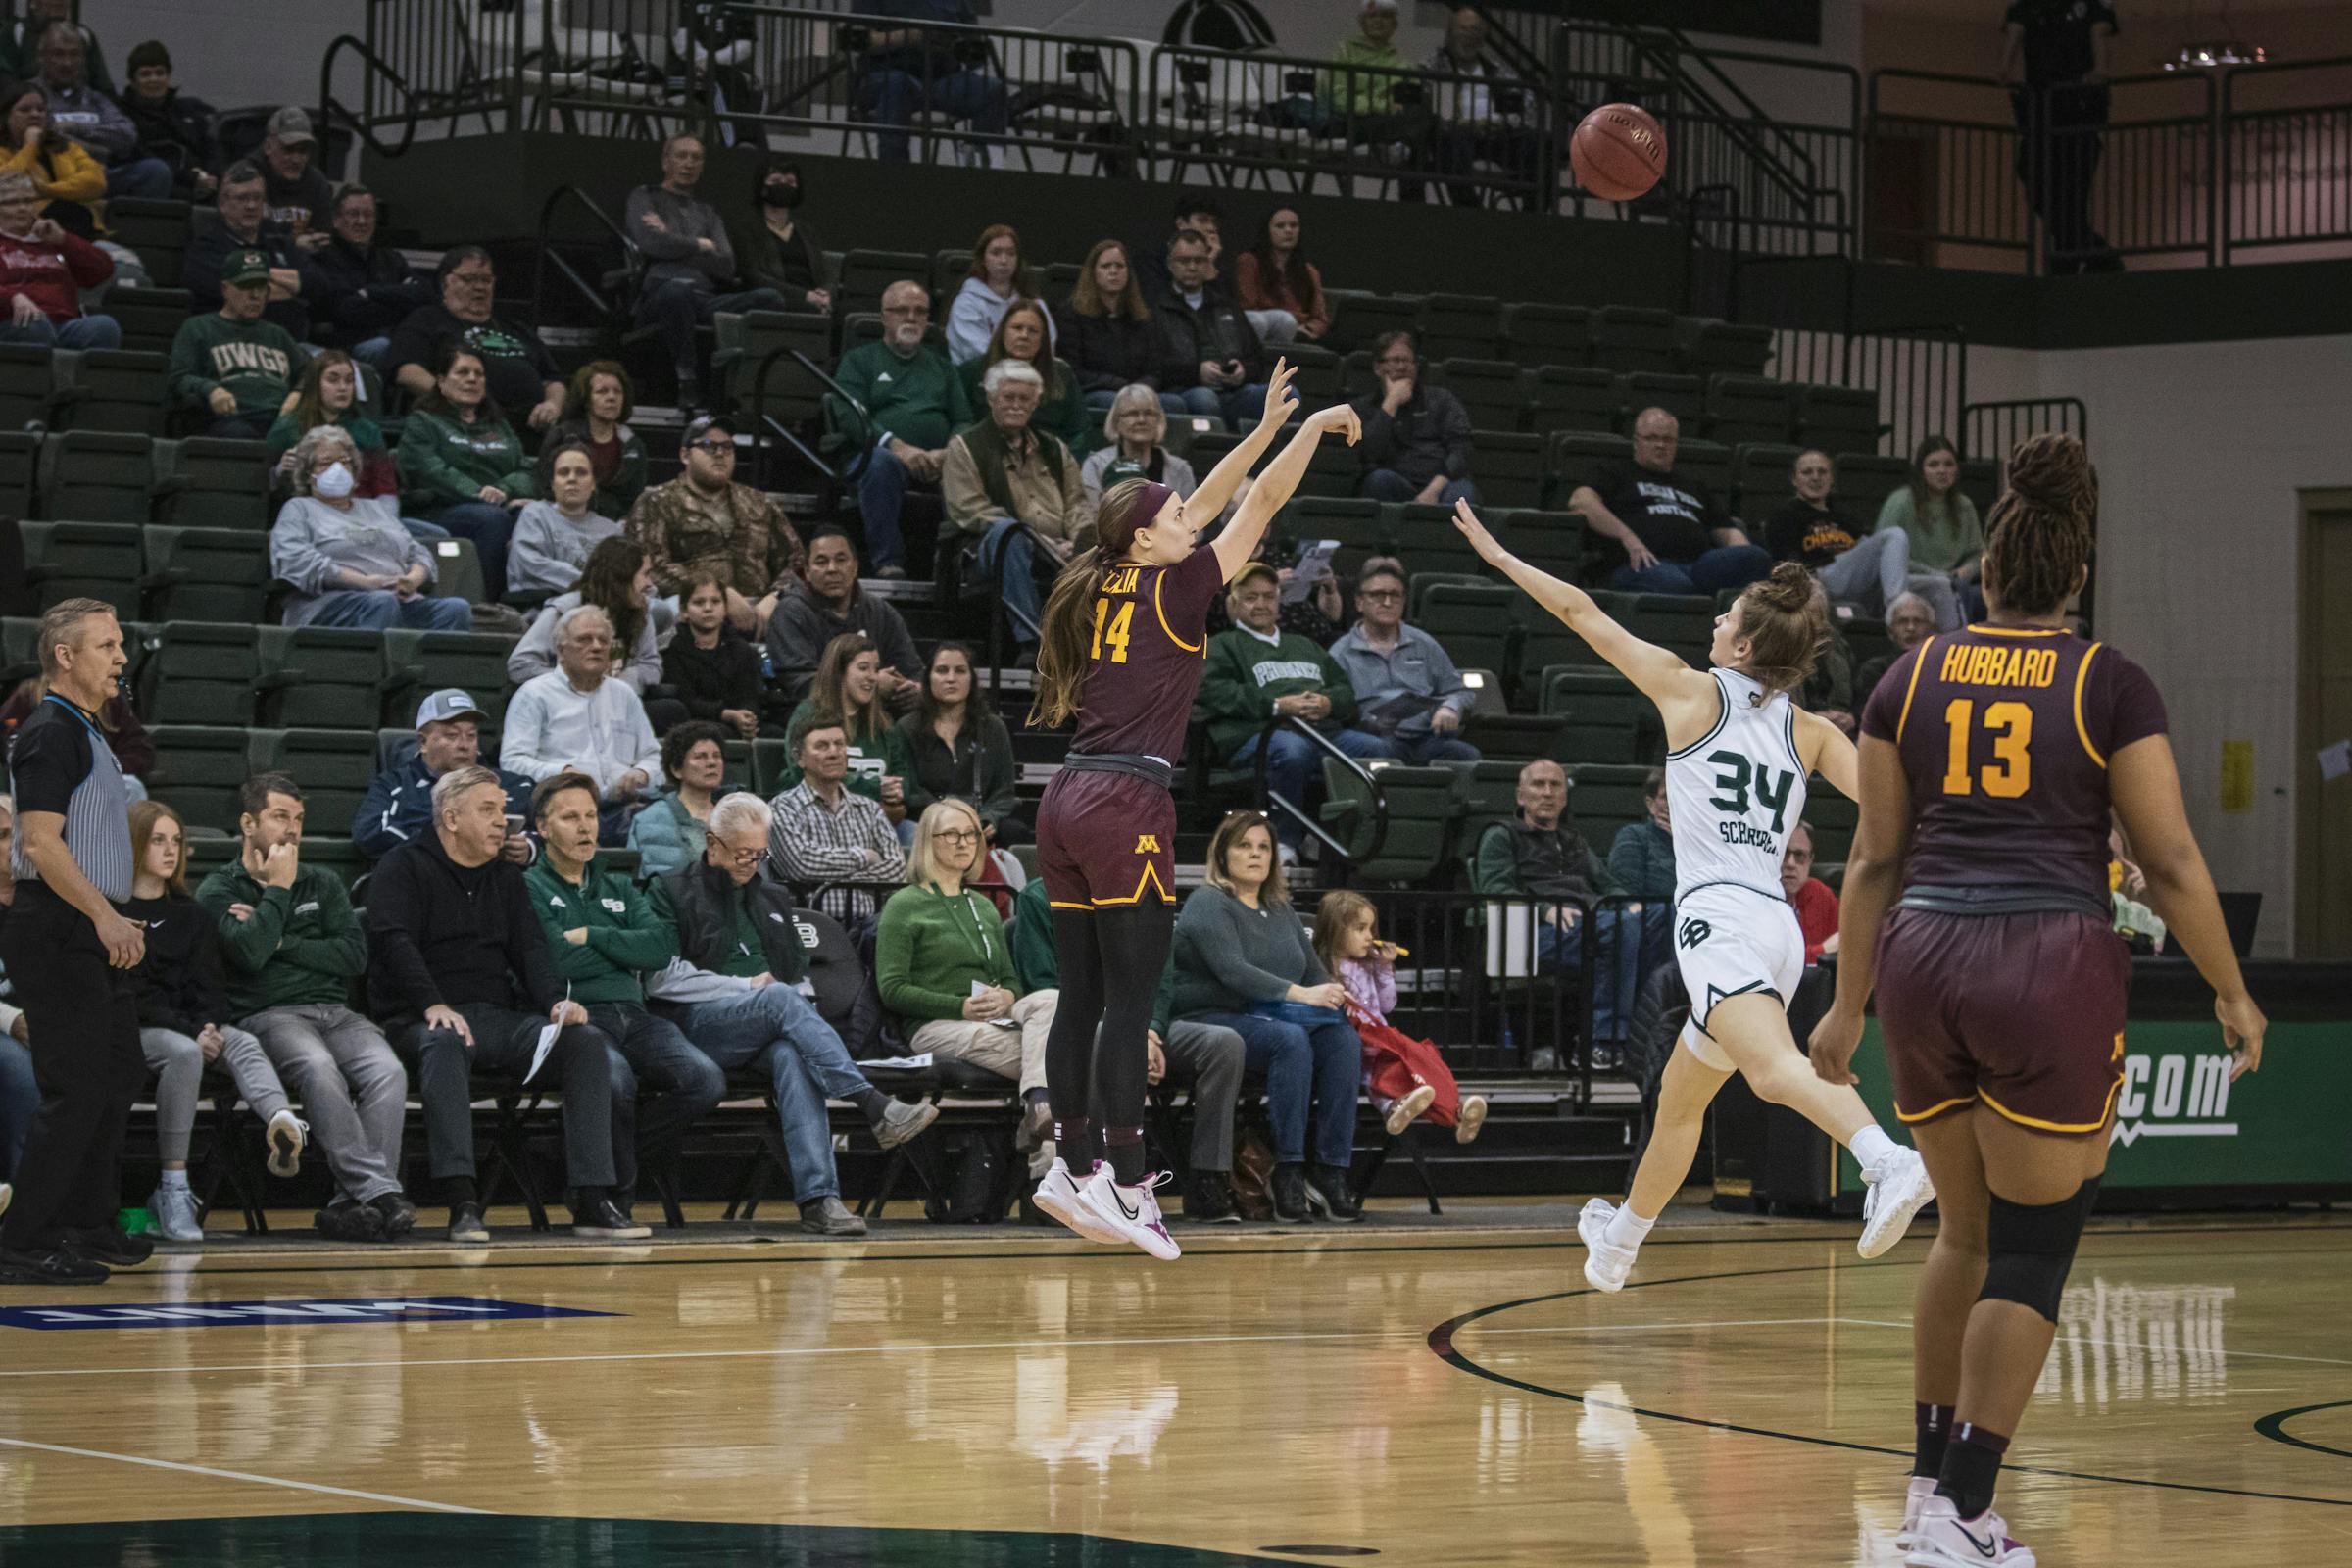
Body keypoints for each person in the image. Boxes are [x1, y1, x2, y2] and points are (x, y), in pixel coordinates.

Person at [1810, 433, 2263, 1565]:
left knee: (1960, 1234)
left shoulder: (1905, 675)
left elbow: (1869, 860)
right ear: (2074, 578)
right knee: (2032, 1251)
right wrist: (2230, 987)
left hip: (1922, 955)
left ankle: (1925, 1498)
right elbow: (2166, 859)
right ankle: (1964, 1509)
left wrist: (1845, 1005)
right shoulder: (2109, 678)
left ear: (1987, 574)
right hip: (2046, 958)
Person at [1447, 505, 1934, 1294]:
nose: (1714, 619)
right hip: (1775, 927)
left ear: (1742, 645)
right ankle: (1618, 1242)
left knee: (1774, 1072)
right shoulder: (1808, 732)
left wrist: (1501, 557)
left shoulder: (1688, 692)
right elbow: (1894, 806)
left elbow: (1579, 610)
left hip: (1719, 917)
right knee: (1681, 1098)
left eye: (1727, 616)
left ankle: (1886, 1159)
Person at [1024, 362, 1361, 1256]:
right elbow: (1258, 508)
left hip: (1064, 799)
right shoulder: (1177, 587)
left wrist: (1254, 429)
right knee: (1130, 1001)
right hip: (1125, 798)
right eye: (1173, 518)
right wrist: (1308, 431)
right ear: (1148, 541)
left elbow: (1204, 503)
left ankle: (1074, 1164)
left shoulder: (1105, 571)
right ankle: (1131, 1186)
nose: (1188, 518)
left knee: (1081, 996)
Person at [366, 764, 647, 1243]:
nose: (504, 821)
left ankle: (592, 1197)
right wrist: (433, 1003)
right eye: (489, 810)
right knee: (445, 1043)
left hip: (499, 1018)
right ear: (451, 819)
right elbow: (395, 944)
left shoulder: (506, 878)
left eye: (503, 809)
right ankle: (463, 1200)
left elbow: (532, 951)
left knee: (583, 1042)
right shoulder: (402, 867)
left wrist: (556, 1002)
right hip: (419, 1018)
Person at [649, 794, 939, 1235]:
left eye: (760, 853)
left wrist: (788, 998)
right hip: (697, 1027)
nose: (752, 863)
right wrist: (747, 987)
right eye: (743, 853)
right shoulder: (670, 890)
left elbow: (799, 977)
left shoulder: (774, 898)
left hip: (769, 1026)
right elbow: (662, 979)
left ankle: (820, 1200)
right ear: (713, 845)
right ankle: (872, 1103)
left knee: (792, 1052)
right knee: (780, 999)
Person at [0, 600, 150, 1286]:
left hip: (89, 926)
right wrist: (104, 915)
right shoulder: (49, 733)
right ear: (66, 656)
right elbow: (37, 841)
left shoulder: (87, 729)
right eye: (107, 646)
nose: (121, 657)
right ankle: (21, 1238)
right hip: (58, 925)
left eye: (119, 645)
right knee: (76, 1087)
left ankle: (87, 1221)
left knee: (117, 1075)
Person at [199, 772, 416, 1243]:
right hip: (269, 1014)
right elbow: (248, 956)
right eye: (280, 817)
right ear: (247, 822)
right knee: (319, 1068)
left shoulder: (322, 882)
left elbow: (353, 956)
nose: (292, 830)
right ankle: (380, 1190)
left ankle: (349, 1205)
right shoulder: (219, 889)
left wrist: (279, 937)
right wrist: (277, 890)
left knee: (388, 1071)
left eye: (298, 819)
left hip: (336, 1013)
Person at [524, 770, 726, 1219]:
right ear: (542, 828)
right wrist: (618, 948)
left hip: (636, 1014)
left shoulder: (617, 883)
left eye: (592, 816)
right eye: (570, 817)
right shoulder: (529, 887)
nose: (585, 827)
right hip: (579, 1018)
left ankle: (586, 1153)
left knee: (705, 1080)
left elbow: (659, 949)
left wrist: (590, 934)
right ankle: (615, 1199)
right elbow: (558, 961)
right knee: (615, 1082)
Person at [1010, 874, 1244, 1223]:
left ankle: (1208, 1179)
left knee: (1225, 1044)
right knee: (1101, 1037)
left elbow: (1162, 978)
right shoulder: (1041, 895)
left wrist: (1149, 1032)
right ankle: (1101, 1179)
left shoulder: (1144, 891)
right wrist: (1126, 1032)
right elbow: (1041, 980)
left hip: (1148, 1025)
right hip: (1086, 1022)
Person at [123, 799, 304, 1244]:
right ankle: (174, 1186)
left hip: (189, 1026)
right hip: (137, 1028)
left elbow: (210, 987)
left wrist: (207, 1025)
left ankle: (281, 1120)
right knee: (184, 1053)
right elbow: (130, 996)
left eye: (177, 841)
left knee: (238, 1040)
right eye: (158, 841)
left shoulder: (191, 914)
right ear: (133, 846)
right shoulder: (112, 910)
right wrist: (193, 1032)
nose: (170, 851)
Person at [1172, 811, 1365, 1224]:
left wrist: (1334, 993)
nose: (1255, 855)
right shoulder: (1208, 902)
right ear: (1222, 855)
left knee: (1342, 1041)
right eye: (1244, 846)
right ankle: (1288, 1169)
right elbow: (1233, 970)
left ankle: (1330, 1171)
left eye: (1263, 847)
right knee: (1290, 1040)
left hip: (1269, 1017)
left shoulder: (1280, 909)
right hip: (1210, 1018)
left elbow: (1312, 970)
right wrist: (1302, 993)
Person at [876, 799, 1059, 1171]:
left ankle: (1039, 1107)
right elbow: (892, 989)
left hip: (997, 1017)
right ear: (928, 840)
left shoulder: (985, 905)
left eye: (972, 835)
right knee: (1066, 1061)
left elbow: (1010, 980)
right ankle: (1048, 1175)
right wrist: (959, 1007)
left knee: (1052, 1000)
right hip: (934, 1026)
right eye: (952, 834)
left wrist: (1008, 994)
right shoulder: (903, 905)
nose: (964, 842)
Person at [1202, 561, 1394, 854]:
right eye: (1251, 597)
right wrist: (1277, 705)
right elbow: (1217, 693)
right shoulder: (1221, 646)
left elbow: (1345, 693)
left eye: (1268, 596)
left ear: (1279, 602)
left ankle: (1362, 839)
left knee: (1378, 751)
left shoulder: (1306, 645)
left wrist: (1328, 703)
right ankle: (1285, 842)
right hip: (1258, 736)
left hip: (1320, 733)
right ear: (1234, 604)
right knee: (1293, 750)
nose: (1261, 604)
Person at [1471, 759, 1643, 1058]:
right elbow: (1496, 890)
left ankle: (1647, 1036)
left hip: (1592, 925)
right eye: (1538, 785)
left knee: (1660, 919)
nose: (1548, 793)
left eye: (1555, 785)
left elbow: (1607, 884)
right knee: (1622, 929)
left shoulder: (1573, 839)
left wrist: (1630, 903)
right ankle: (1603, 1042)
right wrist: (1545, 910)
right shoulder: (1501, 835)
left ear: (1564, 798)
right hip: (1533, 935)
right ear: (1520, 796)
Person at [942, 360, 1091, 655]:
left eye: (1025, 398)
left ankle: (1103, 647)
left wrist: (1078, 539)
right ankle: (1031, 642)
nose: (1016, 405)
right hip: (987, 549)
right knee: (1008, 532)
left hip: (1060, 547)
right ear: (991, 398)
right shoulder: (965, 446)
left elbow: (1077, 502)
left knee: (1099, 536)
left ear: (1035, 403)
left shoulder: (1055, 449)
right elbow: (970, 509)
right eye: (1008, 397)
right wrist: (1037, 540)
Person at [627, 133, 783, 410]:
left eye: (696, 158)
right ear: (666, 161)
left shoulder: (707, 212)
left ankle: (750, 390)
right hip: (661, 294)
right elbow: (651, 243)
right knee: (678, 290)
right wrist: (701, 245)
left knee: (770, 298)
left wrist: (671, 240)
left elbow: (726, 265)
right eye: (681, 156)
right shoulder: (644, 196)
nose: (689, 163)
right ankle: (686, 378)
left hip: (705, 299)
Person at [1316, 888, 1486, 1142]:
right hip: (1356, 1041)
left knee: (1422, 1062)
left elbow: (1387, 1005)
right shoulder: (1323, 967)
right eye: (1361, 929)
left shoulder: (1370, 965)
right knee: (1378, 1075)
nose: (1369, 937)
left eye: (1371, 930)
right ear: (1336, 929)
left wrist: (1384, 968)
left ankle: (1455, 1112)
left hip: (1381, 1035)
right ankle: (1391, 1109)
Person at [270, 425, 472, 630]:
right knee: (381, 603)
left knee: (456, 609)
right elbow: (294, 560)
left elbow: (416, 551)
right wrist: (363, 582)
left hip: (399, 599)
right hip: (331, 604)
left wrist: (411, 579)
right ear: (307, 474)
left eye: (344, 461)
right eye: (326, 462)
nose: (337, 469)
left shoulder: (375, 508)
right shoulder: (299, 508)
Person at [834, 281, 971, 579]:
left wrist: (948, 451)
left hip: (938, 461)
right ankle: (888, 563)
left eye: (920, 312)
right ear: (884, 316)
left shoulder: (943, 367)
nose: (911, 318)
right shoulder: (859, 361)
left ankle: (954, 566)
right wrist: (897, 447)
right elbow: (849, 415)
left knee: (972, 460)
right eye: (902, 310)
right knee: (880, 463)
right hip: (875, 456)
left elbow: (963, 420)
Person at [625, 414, 807, 632]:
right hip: (692, 608)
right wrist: (718, 594)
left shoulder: (759, 502)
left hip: (760, 609)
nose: (720, 453)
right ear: (685, 455)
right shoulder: (657, 501)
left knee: (798, 607)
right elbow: (651, 567)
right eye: (709, 445)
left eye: (727, 446)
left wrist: (776, 596)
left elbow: (796, 560)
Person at [501, 605, 662, 845]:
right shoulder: (534, 695)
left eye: (603, 640)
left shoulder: (624, 694)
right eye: (584, 639)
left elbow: (653, 755)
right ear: (561, 649)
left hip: (625, 807)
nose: (596, 646)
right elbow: (512, 761)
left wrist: (642, 773)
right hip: (564, 805)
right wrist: (562, 772)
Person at [1569, 406, 1774, 595]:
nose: (1660, 445)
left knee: (1757, 557)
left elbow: (1727, 531)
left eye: (1668, 439)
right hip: (1639, 564)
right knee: (1677, 584)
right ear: (1636, 441)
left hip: (1698, 566)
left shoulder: (1693, 484)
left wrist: (1744, 556)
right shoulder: (1615, 473)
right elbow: (1581, 501)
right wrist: (1628, 537)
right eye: (1651, 438)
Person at [393, 343, 535, 601]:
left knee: (532, 514)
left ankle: (524, 602)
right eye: (462, 372)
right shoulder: (423, 421)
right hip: (439, 508)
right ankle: (484, 604)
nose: (472, 379)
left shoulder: (498, 424)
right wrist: (479, 493)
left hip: (497, 504)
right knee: (491, 519)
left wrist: (504, 490)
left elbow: (525, 469)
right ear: (442, 381)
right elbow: (429, 469)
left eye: (478, 374)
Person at [1765, 449, 1958, 629]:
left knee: (1939, 585)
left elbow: (1870, 555)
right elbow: (1786, 562)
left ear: (1831, 479)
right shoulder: (1786, 515)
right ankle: (1897, 608)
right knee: (1894, 535)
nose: (1816, 477)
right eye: (1807, 472)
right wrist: (1807, 584)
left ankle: (1951, 645)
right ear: (1794, 479)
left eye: (1822, 472)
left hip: (1863, 583)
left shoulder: (1845, 517)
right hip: (1823, 579)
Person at [386, 246, 567, 431]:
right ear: (445, 284)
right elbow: (407, 371)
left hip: (533, 425)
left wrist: (552, 405)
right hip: (464, 424)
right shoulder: (427, 320)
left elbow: (554, 380)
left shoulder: (516, 328)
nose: (480, 287)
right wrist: (453, 397)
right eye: (469, 279)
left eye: (486, 280)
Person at [2002, 0, 2121, 274]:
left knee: (2066, 192)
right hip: (2049, 111)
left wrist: (2101, 69)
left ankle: (2074, 255)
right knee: (2047, 185)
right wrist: (2005, 67)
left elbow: (2098, 32)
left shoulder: (2087, 6)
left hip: (2074, 108)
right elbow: (2015, 31)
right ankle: (2088, 252)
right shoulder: (2031, 7)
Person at [1328, 556, 1480, 766]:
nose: (1387, 602)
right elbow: (1335, 709)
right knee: (1379, 750)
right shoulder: (1341, 653)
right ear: (1360, 602)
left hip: (1425, 738)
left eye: (1395, 595)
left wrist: (1451, 707)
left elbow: (1459, 690)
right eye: (1378, 595)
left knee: (1466, 755)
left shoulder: (1423, 643)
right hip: (1376, 739)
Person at [351, 689, 535, 863]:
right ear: (423, 742)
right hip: (422, 878)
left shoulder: (515, 785)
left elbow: (548, 827)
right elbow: (370, 834)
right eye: (452, 735)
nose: (464, 745)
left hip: (495, 882)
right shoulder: (393, 785)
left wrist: (529, 847)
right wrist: (446, 842)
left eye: (471, 736)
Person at [767, 712, 906, 926]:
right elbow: (801, 864)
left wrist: (835, 882)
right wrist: (864, 856)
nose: (834, 753)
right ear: (799, 757)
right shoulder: (783, 807)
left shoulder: (869, 808)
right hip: (814, 927)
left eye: (839, 744)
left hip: (869, 925)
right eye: (822, 746)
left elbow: (896, 869)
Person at [763, 525, 922, 708]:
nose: (832, 569)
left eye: (841, 560)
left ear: (855, 567)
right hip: (816, 720)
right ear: (806, 572)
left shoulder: (880, 612)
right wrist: (870, 684)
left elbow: (912, 671)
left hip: (877, 719)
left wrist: (912, 689)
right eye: (821, 562)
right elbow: (801, 684)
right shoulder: (791, 613)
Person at [848, 0, 1010, 165]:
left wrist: (956, 46)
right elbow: (858, 41)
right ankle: (894, 175)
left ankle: (984, 169)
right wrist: (907, 36)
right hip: (884, 74)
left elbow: (975, 55)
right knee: (896, 84)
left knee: (992, 90)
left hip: (942, 80)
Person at [772, 631, 914, 819]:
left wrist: (896, 791)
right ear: (839, 672)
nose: (873, 677)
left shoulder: (883, 722)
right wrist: (875, 789)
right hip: (814, 815)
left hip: (877, 818)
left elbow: (903, 776)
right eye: (864, 668)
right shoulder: (808, 714)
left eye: (876, 669)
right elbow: (803, 774)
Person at [509, 537, 665, 705]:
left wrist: (623, 681)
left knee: (669, 709)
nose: (650, 584)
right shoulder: (564, 610)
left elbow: (651, 665)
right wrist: (572, 684)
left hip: (617, 701)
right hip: (566, 702)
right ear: (622, 576)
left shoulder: (639, 609)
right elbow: (520, 664)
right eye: (645, 574)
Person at [897, 640, 1023, 845]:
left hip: (979, 818)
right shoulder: (906, 728)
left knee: (1014, 831)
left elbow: (1004, 790)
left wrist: (989, 817)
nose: (951, 679)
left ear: (972, 678)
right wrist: (947, 817)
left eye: (960, 671)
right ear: (928, 678)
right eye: (942, 670)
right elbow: (910, 789)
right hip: (928, 819)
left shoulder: (993, 727)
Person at [169, 250, 303, 439]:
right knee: (240, 434)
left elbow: (311, 371)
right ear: (225, 289)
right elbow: (178, 377)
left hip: (279, 420)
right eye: (245, 286)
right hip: (230, 419)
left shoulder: (277, 334)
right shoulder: (199, 327)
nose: (255, 295)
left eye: (261, 287)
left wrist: (297, 393)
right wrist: (210, 389)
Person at [33, 19, 168, 202]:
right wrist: (99, 149)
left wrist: (73, 127)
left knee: (155, 171)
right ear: (42, 57)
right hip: (53, 178)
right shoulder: (30, 95)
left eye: (74, 54)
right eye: (58, 54)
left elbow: (127, 136)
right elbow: (46, 140)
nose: (67, 62)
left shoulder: (96, 99)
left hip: (102, 176)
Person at [298, 185, 430, 368]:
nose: (361, 221)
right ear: (336, 220)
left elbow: (424, 294)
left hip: (389, 338)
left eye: (368, 215)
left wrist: (372, 292)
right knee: (385, 348)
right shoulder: (323, 258)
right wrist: (398, 303)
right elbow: (347, 310)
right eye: (353, 214)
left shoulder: (391, 259)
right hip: (342, 347)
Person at [1150, 227, 1268, 429]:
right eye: (1184, 261)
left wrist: (1243, 371)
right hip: (1184, 390)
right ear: (1170, 264)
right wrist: (1197, 372)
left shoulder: (1227, 305)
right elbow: (1151, 366)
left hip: (1236, 391)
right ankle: (1219, 455)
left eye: (1199, 260)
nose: (1192, 267)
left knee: (1286, 394)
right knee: (1204, 398)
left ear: (1208, 264)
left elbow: (1258, 358)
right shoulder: (1155, 308)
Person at [1427, 5, 1541, 209]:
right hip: (1458, 134)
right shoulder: (1436, 64)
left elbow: (1526, 99)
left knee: (1542, 144)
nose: (1469, 36)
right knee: (1450, 142)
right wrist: (1468, 123)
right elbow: (1434, 109)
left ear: (1483, 36)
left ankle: (1531, 216)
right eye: (1463, 29)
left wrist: (1504, 122)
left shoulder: (1495, 69)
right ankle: (1473, 212)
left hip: (1496, 134)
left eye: (1475, 30)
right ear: (1451, 32)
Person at [1324, 0, 1436, 202]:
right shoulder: (1344, 53)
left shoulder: (1401, 64)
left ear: (1394, 25)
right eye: (1372, 16)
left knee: (1426, 113)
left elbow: (1412, 103)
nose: (1378, 21)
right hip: (1351, 123)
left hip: (1392, 125)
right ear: (1362, 21)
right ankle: (1413, 201)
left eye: (1385, 17)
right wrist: (1380, 105)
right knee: (1418, 133)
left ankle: (1401, 146)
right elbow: (1338, 96)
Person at [183, 161, 308, 338]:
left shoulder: (278, 241)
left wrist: (256, 275)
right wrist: (291, 287)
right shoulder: (205, 248)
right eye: (242, 198)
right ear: (223, 204)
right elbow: (236, 295)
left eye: (257, 198)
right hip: (232, 344)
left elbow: (317, 284)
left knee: (347, 366)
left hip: (293, 346)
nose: (251, 206)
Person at [1351, 332, 1478, 507]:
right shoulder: (1362, 408)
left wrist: (1433, 489)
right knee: (1378, 480)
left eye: (1408, 361)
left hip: (1440, 484)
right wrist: (1390, 404)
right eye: (1395, 360)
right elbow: (1368, 454)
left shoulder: (1441, 400)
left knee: (1462, 493)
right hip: (1395, 483)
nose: (1403, 367)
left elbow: (1461, 449)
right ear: (1377, 367)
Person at [1056, 241, 1180, 416]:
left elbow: (1156, 368)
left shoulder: (1143, 316)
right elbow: (1072, 370)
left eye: (1120, 266)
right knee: (1113, 401)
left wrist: (1141, 387)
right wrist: (1118, 384)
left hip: (1139, 391)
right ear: (1092, 272)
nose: (1114, 272)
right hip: (1095, 391)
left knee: (1176, 403)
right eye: (1106, 266)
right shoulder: (1071, 314)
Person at [955, 296, 1086, 455]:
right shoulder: (973, 370)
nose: (1024, 335)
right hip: (987, 457)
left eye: (1033, 331)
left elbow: (1080, 430)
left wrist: (1065, 463)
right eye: (1017, 328)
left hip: (1049, 461)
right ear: (1002, 331)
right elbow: (960, 421)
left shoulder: (1062, 373)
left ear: (1043, 338)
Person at [0, 169, 114, 348]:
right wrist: (11, 298)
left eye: (28, 201)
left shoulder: (52, 240)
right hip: (13, 321)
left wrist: (64, 240)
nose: (22, 208)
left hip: (65, 324)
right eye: (12, 202)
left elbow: (102, 271)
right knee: (34, 326)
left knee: (104, 326)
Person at [1878, 436, 1985, 623]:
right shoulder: (1901, 501)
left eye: (1948, 464)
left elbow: (1978, 554)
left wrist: (1965, 571)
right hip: (1909, 580)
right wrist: (1935, 574)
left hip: (1954, 581)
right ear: (1921, 470)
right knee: (1945, 587)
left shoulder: (1964, 505)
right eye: (1933, 465)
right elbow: (1887, 555)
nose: (1942, 471)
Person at [267, 350, 396, 500]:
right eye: (333, 380)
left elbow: (386, 488)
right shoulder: (287, 428)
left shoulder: (367, 430)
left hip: (362, 514)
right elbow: (263, 484)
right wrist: (279, 470)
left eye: (349, 380)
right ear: (314, 384)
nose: (343, 387)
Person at [508, 442, 623, 601]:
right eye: (563, 473)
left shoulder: (610, 530)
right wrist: (591, 585)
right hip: (546, 603)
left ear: (593, 484)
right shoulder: (535, 514)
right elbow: (532, 565)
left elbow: (625, 573)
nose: (572, 479)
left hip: (603, 604)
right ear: (552, 483)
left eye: (581, 473)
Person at [627, 719, 735, 879]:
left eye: (717, 756)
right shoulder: (654, 820)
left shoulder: (733, 816)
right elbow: (662, 884)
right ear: (676, 769)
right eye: (700, 757)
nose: (712, 763)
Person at [662, 572, 764, 741]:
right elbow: (685, 701)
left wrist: (747, 717)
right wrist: (726, 714)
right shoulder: (674, 650)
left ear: (725, 608)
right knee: (714, 734)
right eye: (699, 602)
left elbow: (749, 694)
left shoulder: (741, 649)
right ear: (684, 610)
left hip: (738, 721)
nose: (708, 608)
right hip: (698, 723)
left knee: (775, 733)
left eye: (715, 601)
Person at [545, 362, 650, 521]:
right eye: (602, 391)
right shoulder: (562, 435)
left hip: (614, 523)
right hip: (564, 517)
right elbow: (545, 485)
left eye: (618, 392)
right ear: (586, 400)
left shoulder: (633, 445)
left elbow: (634, 498)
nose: (612, 397)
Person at [0, 82, 104, 239]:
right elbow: (5, 183)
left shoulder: (66, 147)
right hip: (30, 230)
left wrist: (46, 190)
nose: (35, 114)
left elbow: (96, 183)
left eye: (41, 109)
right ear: (6, 115)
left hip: (83, 228)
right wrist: (30, 147)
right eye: (25, 110)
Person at [118, 40, 216, 202]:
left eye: (159, 73)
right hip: (163, 184)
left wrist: (212, 175)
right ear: (133, 80)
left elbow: (210, 147)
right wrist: (191, 177)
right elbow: (140, 154)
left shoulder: (188, 109)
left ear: (168, 76)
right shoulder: (122, 114)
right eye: (146, 74)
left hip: (202, 181)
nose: (154, 79)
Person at [729, 155, 829, 313]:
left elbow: (824, 274)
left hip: (813, 297)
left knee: (849, 311)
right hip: (777, 299)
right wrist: (805, 296)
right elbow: (752, 277)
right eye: (776, 181)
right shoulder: (746, 229)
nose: (784, 186)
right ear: (762, 188)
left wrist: (825, 294)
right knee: (809, 309)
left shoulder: (807, 231)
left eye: (790, 182)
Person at [1081, 385, 1199, 508]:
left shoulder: (1180, 470)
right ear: (1116, 421)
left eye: (1149, 413)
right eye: (1132, 413)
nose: (1141, 420)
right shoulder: (1096, 465)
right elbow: (1090, 518)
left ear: (1159, 420)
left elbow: (1192, 521)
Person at [1232, 208, 1327, 348]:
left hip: (1298, 332)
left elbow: (1320, 318)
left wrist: (1307, 329)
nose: (1288, 231)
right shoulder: (1249, 261)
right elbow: (1249, 304)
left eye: (1294, 226)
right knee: (1276, 321)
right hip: (1260, 325)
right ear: (1267, 231)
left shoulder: (1309, 271)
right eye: (1280, 226)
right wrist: (1300, 317)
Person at [5, 1, 111, 97]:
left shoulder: (83, 35)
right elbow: (5, 85)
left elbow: (103, 87)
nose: (59, 2)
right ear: (33, 3)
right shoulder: (16, 32)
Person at [256, 105, 332, 236]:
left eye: (303, 151)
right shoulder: (247, 177)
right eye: (289, 149)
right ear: (268, 147)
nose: (296, 159)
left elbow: (323, 237)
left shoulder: (317, 184)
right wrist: (294, 245)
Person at [1854, 591, 1938, 709]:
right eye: (1903, 621)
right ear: (1890, 631)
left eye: (1918, 621)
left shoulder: (1942, 670)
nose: (1911, 628)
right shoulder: (1874, 670)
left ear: (1931, 629)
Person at [1606, 767, 1675, 905]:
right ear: (1651, 804)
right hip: (1651, 919)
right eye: (1666, 796)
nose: (1675, 801)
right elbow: (1626, 896)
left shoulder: (1701, 841)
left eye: (1681, 794)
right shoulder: (1634, 836)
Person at [1780, 821, 1838, 963]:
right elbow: (1776, 962)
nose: (1791, 864)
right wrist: (1820, 950)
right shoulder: (1754, 897)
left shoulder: (1821, 895)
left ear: (1810, 861)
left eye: (1800, 855)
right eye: (1783, 853)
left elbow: (1844, 941)